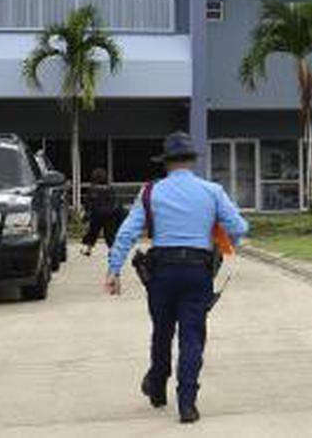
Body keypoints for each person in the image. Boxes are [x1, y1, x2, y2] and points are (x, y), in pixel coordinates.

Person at [105, 132, 249, 424]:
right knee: (192, 336)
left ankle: (157, 385)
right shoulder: (212, 191)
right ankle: (187, 403)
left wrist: (114, 269)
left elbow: (127, 232)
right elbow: (239, 226)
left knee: (162, 330)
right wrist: (221, 237)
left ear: (166, 163)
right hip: (197, 272)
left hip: (162, 272)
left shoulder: (150, 192)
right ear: (192, 161)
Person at [80, 167, 122, 256]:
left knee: (92, 232)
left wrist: (86, 214)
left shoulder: (92, 189)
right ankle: (112, 250)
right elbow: (115, 202)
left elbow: (88, 203)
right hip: (109, 215)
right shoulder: (110, 188)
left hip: (96, 215)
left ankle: (88, 250)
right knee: (110, 234)